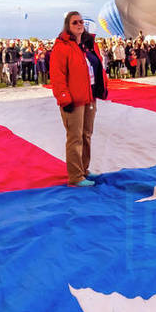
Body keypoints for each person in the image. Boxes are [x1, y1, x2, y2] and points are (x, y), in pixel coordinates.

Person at [50, 12, 109, 187]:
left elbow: (98, 67)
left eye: (81, 21)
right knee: (75, 137)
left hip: (89, 95)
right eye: (75, 22)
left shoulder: (88, 45)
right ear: (68, 25)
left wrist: (102, 87)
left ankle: (84, 169)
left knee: (86, 135)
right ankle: (75, 176)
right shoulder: (62, 47)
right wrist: (63, 98)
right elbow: (57, 75)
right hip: (73, 99)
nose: (79, 24)